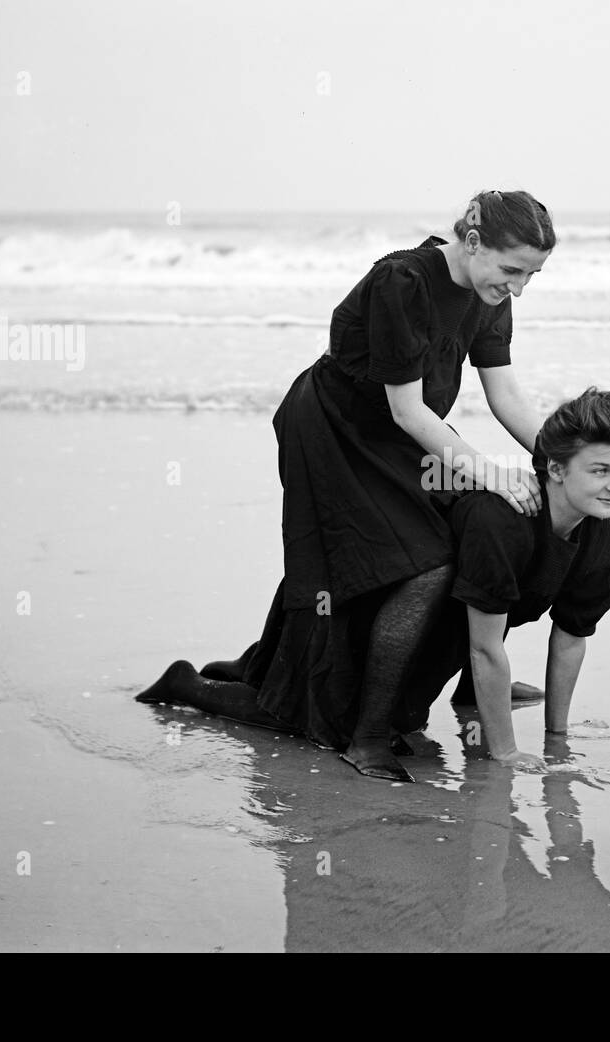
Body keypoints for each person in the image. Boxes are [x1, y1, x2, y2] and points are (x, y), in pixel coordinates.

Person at [137, 191, 556, 782]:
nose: (518, 288)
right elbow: (409, 410)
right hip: (336, 428)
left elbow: (505, 394)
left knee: (458, 539)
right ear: (471, 240)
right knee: (402, 563)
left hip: (402, 434)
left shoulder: (490, 294)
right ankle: (365, 737)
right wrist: (489, 471)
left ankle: (263, 666)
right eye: (512, 270)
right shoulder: (402, 282)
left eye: (531, 276)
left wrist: (559, 462)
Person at [393, 388, 610, 769]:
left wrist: (557, 738)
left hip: (481, 626)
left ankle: (471, 694)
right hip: (419, 626)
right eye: (600, 470)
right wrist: (505, 751)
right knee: (402, 725)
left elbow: (570, 639)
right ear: (558, 470)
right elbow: (485, 647)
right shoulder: (501, 522)